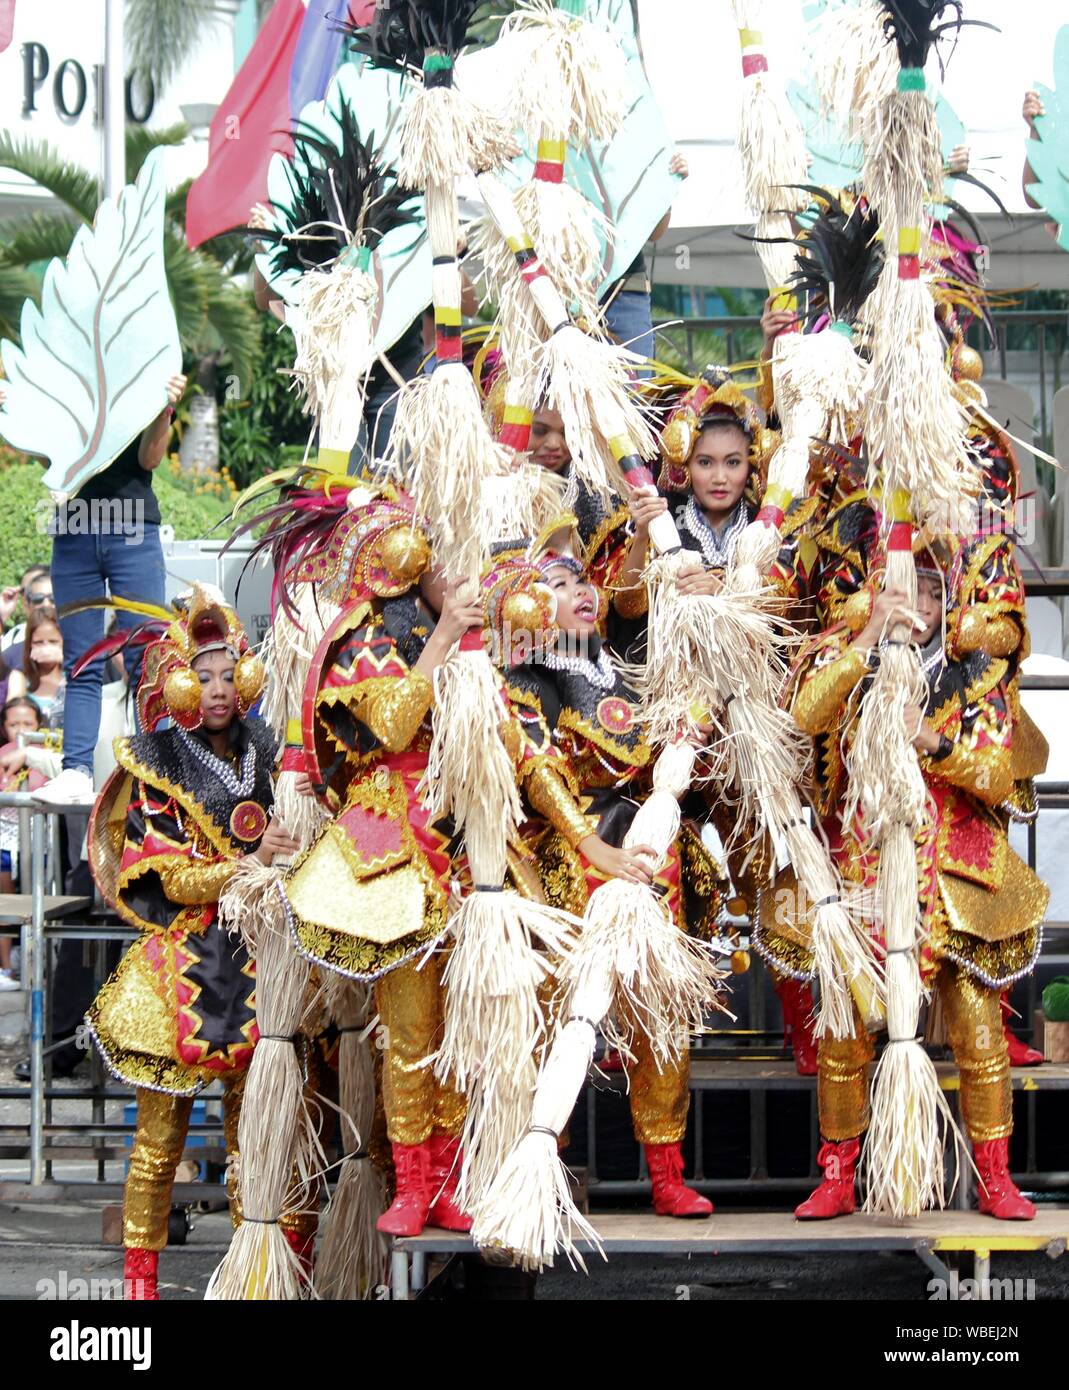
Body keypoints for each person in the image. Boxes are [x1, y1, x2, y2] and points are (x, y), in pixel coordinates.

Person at [774, 517, 1046, 1222]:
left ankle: (994, 1178)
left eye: (930, 591)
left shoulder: (975, 676)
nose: (914, 605)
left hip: (957, 871)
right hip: (861, 864)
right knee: (843, 1031)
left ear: (948, 600)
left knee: (979, 1033)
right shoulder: (846, 653)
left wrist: (927, 739)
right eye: (901, 587)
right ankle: (838, 1172)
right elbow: (805, 717)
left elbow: (995, 779)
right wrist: (864, 643)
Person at [83, 585, 300, 1298]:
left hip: (262, 957)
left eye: (225, 671)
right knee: (158, 1145)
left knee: (256, 1140)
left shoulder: (269, 751)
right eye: (200, 675)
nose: (216, 689)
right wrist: (251, 863)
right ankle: (139, 1291)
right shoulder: (156, 763)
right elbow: (169, 876)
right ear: (176, 680)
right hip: (182, 965)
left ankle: (255, 1278)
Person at [506, 548, 726, 1217]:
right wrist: (589, 845)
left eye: (579, 580)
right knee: (550, 1021)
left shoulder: (631, 665)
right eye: (555, 585)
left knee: (658, 1013)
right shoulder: (527, 675)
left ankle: (666, 1174)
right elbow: (539, 769)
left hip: (647, 846)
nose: (576, 592)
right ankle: (546, 1170)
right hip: (567, 864)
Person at [278, 496, 476, 1239]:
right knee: (411, 1028)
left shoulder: (482, 634)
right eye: (432, 555)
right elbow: (389, 725)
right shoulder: (362, 634)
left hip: (469, 836)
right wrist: (445, 638)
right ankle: (413, 1183)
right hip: (398, 844)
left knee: (465, 1028)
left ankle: (454, 1180)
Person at [35, 372, 187, 808]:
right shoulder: (62, 375)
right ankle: (76, 769)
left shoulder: (140, 367)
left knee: (146, 654)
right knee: (82, 659)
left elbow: (149, 458)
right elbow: (46, 454)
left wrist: (164, 409)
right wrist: (15, 406)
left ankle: (157, 767)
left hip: (132, 527)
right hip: (74, 527)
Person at [600, 151, 689, 367]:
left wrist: (667, 188)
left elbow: (654, 233)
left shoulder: (634, 140)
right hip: (564, 291)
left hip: (625, 290)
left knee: (636, 392)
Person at [0, 696, 44, 988]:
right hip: (5, 836)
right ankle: (5, 968)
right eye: (14, 723)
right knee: (5, 903)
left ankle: (34, 966)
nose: (20, 729)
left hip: (38, 836)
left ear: (39, 725)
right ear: (4, 727)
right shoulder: (3, 754)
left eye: (27, 723)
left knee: (35, 901)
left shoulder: (47, 755)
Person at [7, 604, 64, 725]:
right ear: (29, 644)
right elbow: (12, 717)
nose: (46, 648)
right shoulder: (20, 677)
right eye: (38, 642)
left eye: (53, 642)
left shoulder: (75, 674)